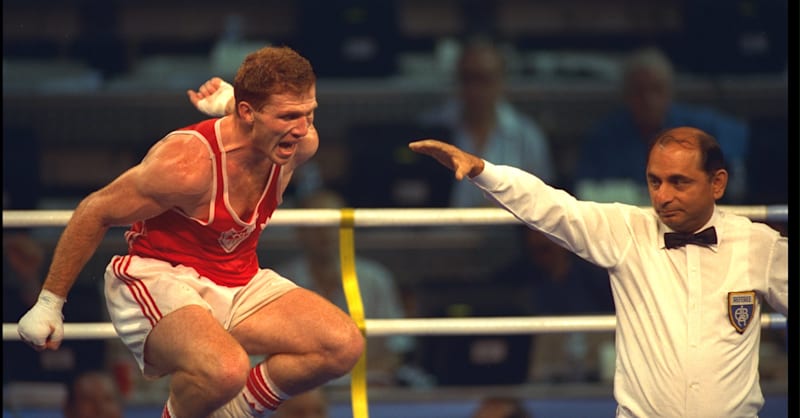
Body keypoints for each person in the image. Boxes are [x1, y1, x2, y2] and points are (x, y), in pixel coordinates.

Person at [16, 45, 365, 418]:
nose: (303, 129)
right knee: (226, 369)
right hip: (158, 277)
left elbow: (272, 123)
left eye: (310, 114)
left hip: (237, 278)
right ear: (249, 113)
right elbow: (95, 210)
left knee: (342, 345)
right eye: (289, 116)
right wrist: (50, 302)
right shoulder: (186, 163)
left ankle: (235, 412)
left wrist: (234, 102)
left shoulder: (297, 145)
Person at [408, 126, 788, 417]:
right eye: (655, 181)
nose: (663, 195)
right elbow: (552, 207)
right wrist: (481, 170)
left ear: (717, 183)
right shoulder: (627, 231)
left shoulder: (757, 244)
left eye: (679, 182)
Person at [574, 46, 750, 205]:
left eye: (656, 89)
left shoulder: (696, 125)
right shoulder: (604, 137)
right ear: (626, 94)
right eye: (639, 91)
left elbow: (740, 137)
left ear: (669, 92)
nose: (648, 100)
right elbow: (584, 192)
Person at [275, 189, 415, 386]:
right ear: (299, 231)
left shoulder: (376, 279)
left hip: (370, 388)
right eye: (316, 224)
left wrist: (362, 380)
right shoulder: (279, 282)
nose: (325, 232)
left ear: (348, 228)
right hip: (299, 392)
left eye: (333, 224)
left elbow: (396, 349)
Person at [418, 35, 556, 207]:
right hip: (443, 231)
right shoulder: (431, 130)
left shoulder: (527, 136)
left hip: (508, 231)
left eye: (484, 79)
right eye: (468, 78)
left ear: (501, 81)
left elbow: (542, 203)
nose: (475, 90)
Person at [491, 226, 614, 382]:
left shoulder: (596, 276)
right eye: (533, 232)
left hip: (592, 352)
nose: (539, 239)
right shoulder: (515, 277)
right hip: (540, 360)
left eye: (545, 232)